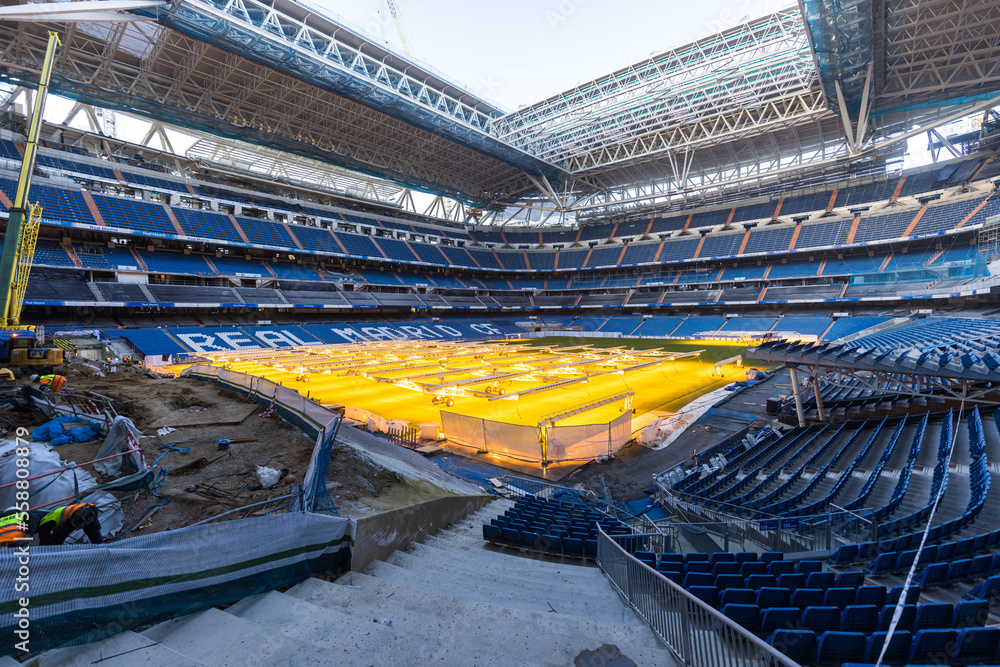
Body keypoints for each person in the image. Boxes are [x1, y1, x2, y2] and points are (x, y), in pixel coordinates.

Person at [36, 502, 103, 546]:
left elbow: (44, 544)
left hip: (80, 512)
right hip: (91, 507)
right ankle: (102, 551)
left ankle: (55, 559)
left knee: (56, 539)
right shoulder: (49, 516)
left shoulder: (43, 525)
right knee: (94, 534)